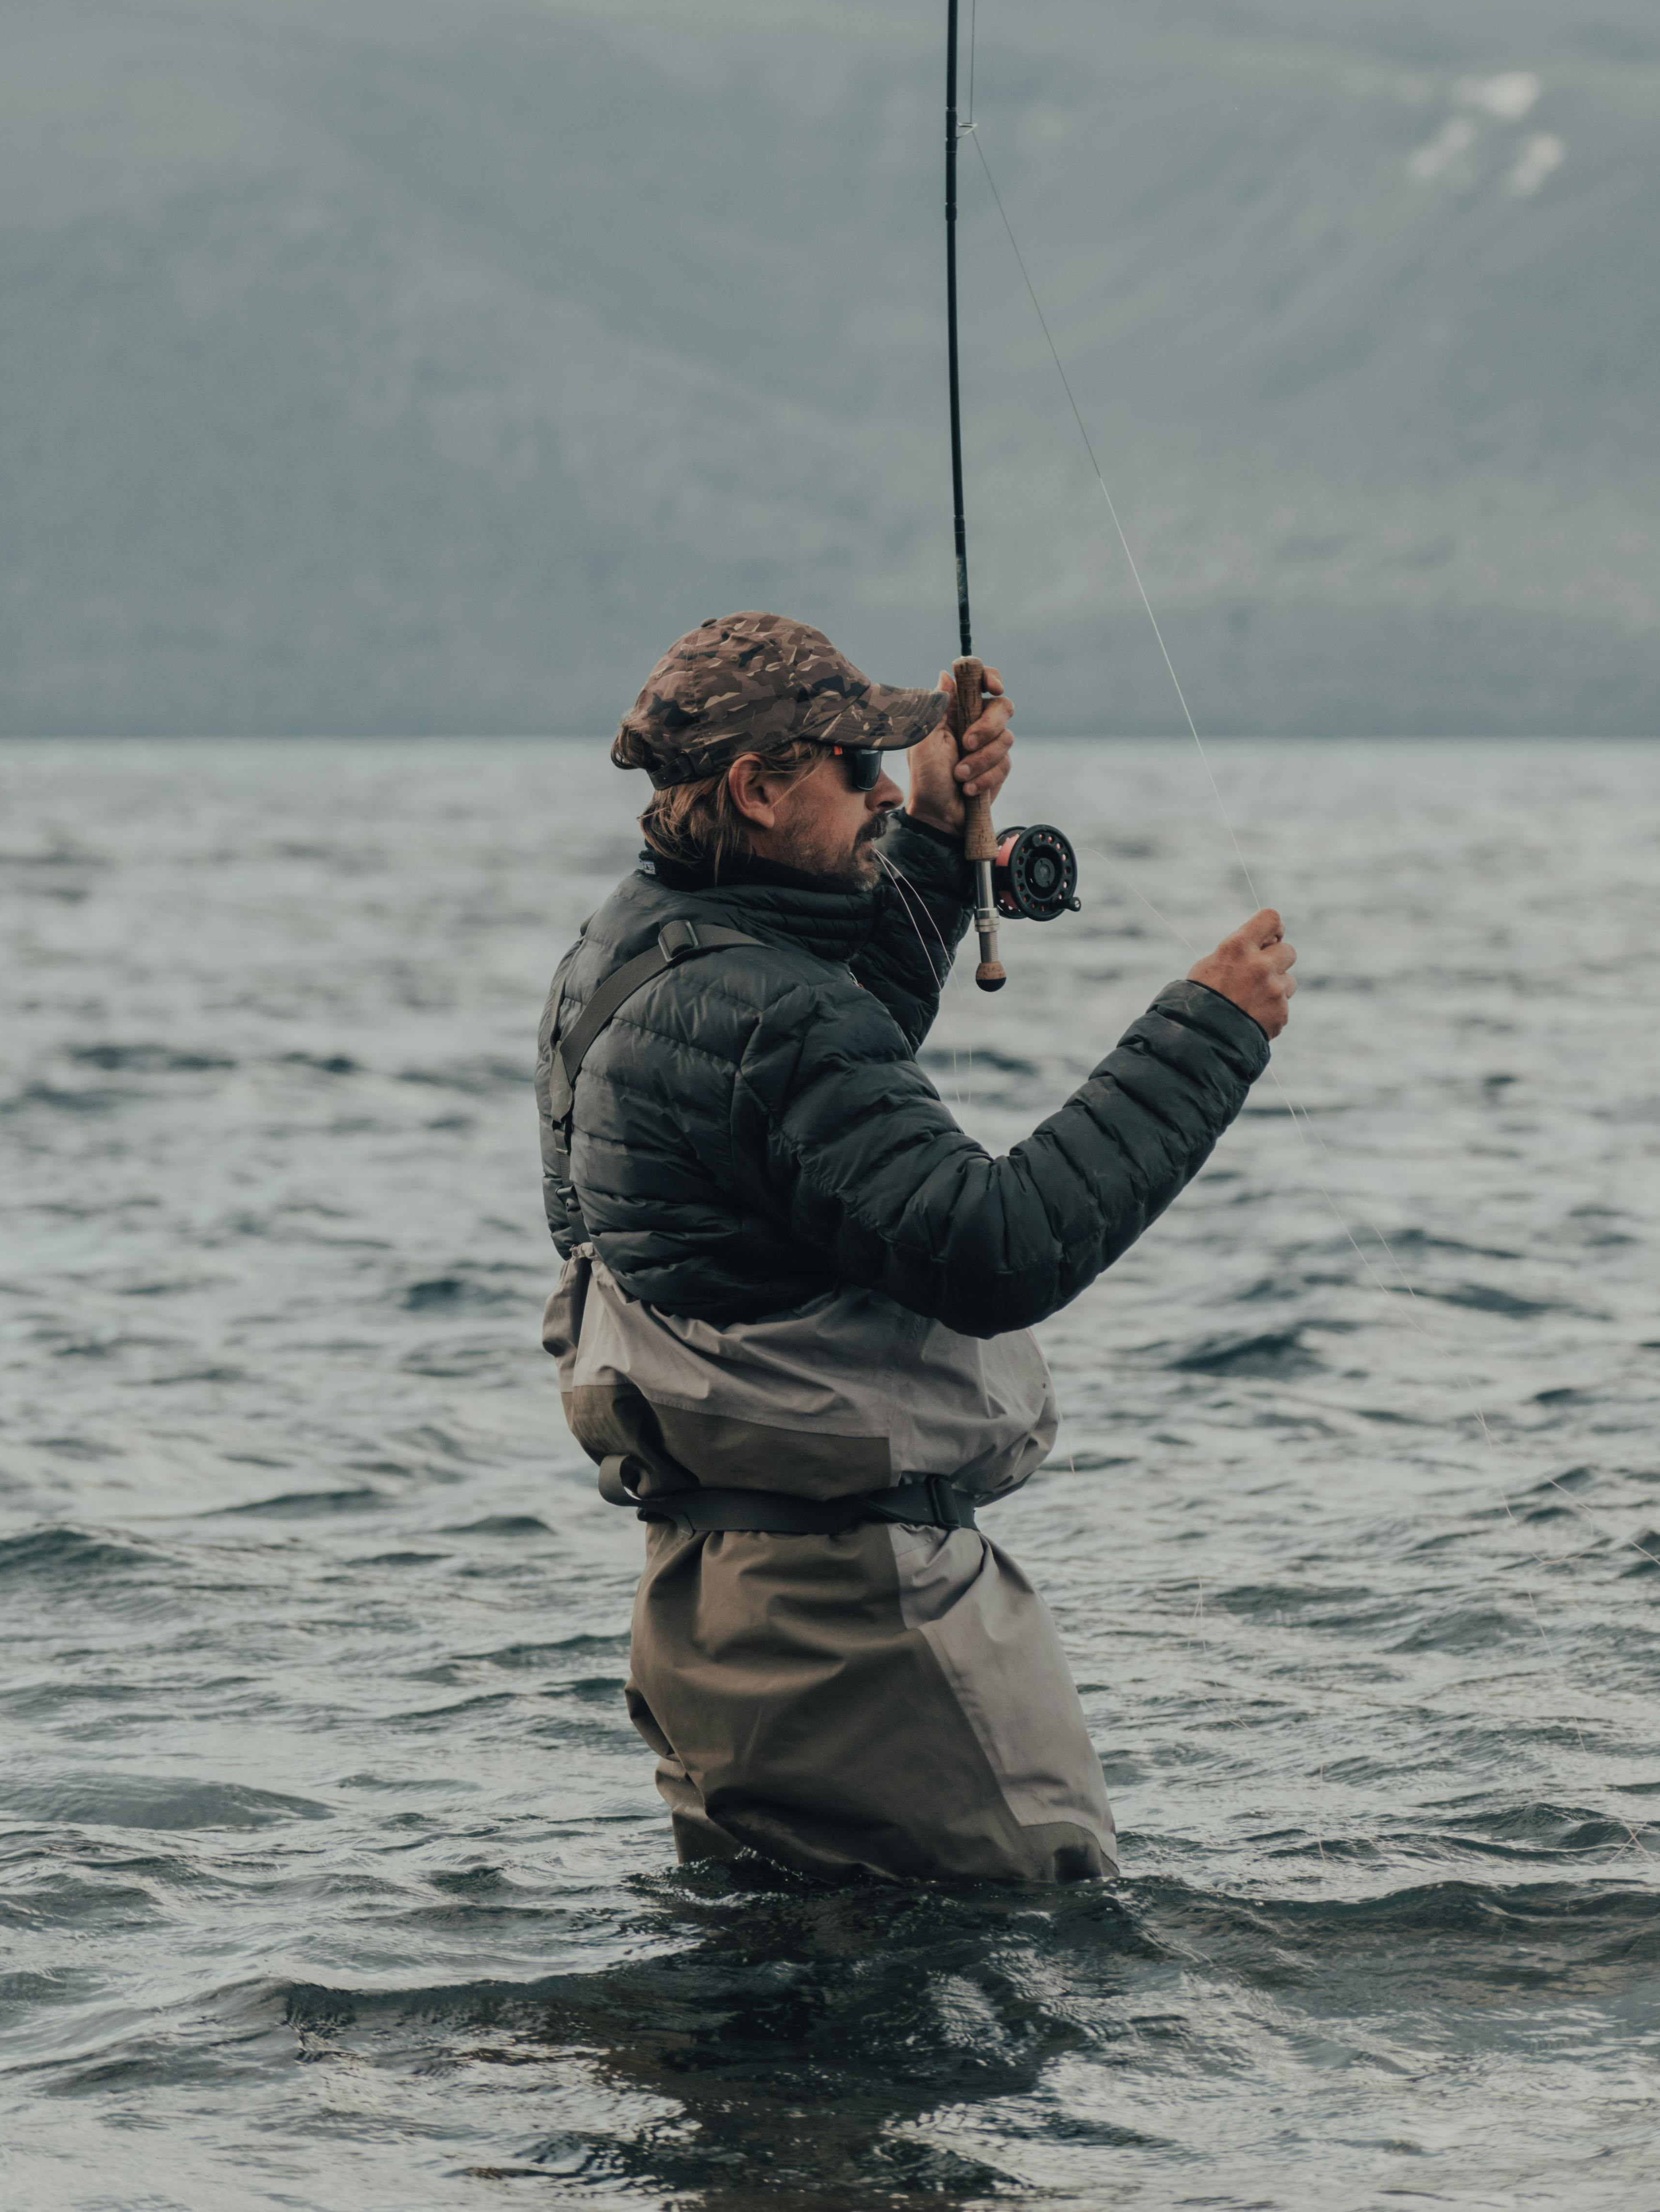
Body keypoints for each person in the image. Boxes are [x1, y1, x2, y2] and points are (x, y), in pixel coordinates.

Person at [539, 610, 1294, 1884]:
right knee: (1025, 1952)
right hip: (863, 1630)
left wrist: (942, 842)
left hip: (712, 1607)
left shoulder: (628, 958)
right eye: (859, 771)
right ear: (759, 790)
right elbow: (997, 1251)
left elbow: (803, 1111)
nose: (887, 786)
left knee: (776, 2011)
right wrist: (1208, 1033)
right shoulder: (762, 1015)